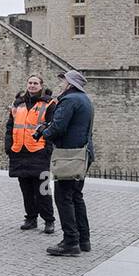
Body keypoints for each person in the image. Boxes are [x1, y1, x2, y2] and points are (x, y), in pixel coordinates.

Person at [36, 69, 94, 257]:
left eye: (63, 81)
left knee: (63, 197)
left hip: (70, 155)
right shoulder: (85, 100)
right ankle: (83, 239)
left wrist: (43, 132)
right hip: (83, 154)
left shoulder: (69, 100)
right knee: (76, 196)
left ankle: (70, 241)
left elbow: (58, 128)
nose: (60, 84)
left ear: (70, 84)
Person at [5, 75, 55, 234]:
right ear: (27, 85)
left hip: (39, 151)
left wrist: (48, 149)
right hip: (20, 151)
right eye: (30, 83)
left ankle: (49, 220)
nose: (32, 85)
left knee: (43, 189)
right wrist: (9, 146)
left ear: (41, 86)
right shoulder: (17, 104)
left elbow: (53, 127)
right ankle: (31, 218)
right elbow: (10, 126)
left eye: (35, 83)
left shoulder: (48, 104)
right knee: (26, 189)